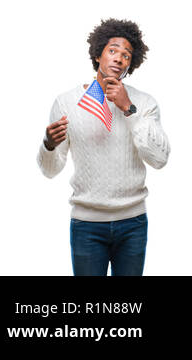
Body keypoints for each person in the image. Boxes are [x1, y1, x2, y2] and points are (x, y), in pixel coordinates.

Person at [37, 19, 168, 276]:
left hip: (133, 223)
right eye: (112, 50)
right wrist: (49, 145)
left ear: (131, 64)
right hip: (87, 225)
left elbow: (159, 158)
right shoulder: (67, 102)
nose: (119, 58)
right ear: (98, 54)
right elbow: (51, 171)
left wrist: (128, 109)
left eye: (126, 55)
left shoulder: (143, 103)